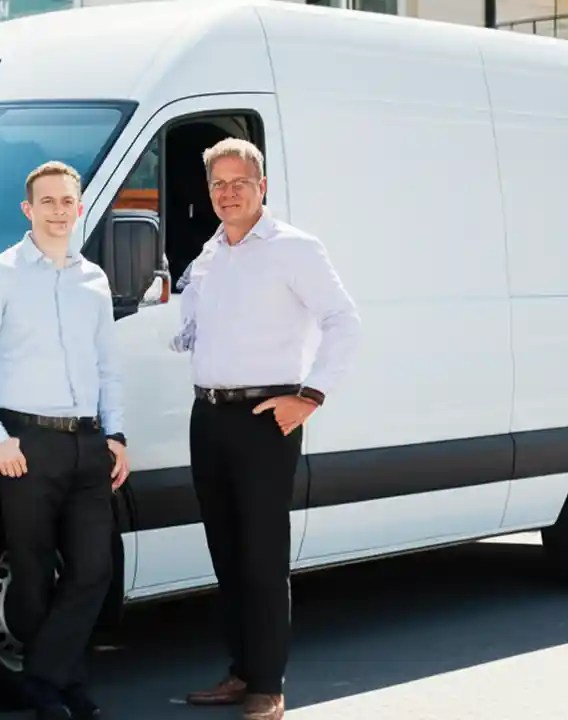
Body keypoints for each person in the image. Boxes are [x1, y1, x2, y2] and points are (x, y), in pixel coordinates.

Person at [173, 138, 361, 720]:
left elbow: (344, 320)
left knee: (261, 555)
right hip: (208, 417)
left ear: (263, 188)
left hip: (264, 421)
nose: (227, 193)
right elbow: (191, 332)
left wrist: (310, 396)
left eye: (239, 183)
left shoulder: (294, 249)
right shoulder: (209, 255)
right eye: (218, 185)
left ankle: (268, 685)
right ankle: (240, 672)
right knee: (226, 554)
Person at [0, 160, 131, 720]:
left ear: (80, 207)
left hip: (88, 443)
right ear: (29, 210)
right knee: (30, 569)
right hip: (26, 444)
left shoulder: (93, 280)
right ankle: (64, 686)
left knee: (94, 568)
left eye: (67, 201)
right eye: (46, 202)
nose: (58, 211)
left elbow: (107, 366)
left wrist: (116, 433)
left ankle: (43, 679)